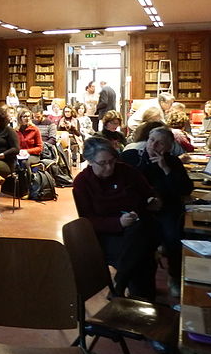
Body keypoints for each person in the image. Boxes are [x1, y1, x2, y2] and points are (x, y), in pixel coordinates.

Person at [73, 137, 160, 302]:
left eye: (112, 161)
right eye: (103, 163)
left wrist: (152, 201)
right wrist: (118, 223)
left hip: (137, 226)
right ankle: (143, 303)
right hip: (106, 234)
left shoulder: (127, 171)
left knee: (139, 233)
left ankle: (121, 286)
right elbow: (86, 220)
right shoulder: (83, 182)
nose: (109, 167)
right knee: (143, 259)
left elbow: (148, 193)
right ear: (90, 161)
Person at [120, 127, 192, 297]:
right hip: (139, 208)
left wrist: (165, 169)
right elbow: (126, 187)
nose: (154, 145)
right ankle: (130, 283)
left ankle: (174, 277)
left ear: (168, 147)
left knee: (173, 236)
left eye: (160, 143)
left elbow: (185, 189)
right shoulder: (132, 158)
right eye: (152, 140)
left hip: (166, 209)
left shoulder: (173, 162)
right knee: (136, 239)